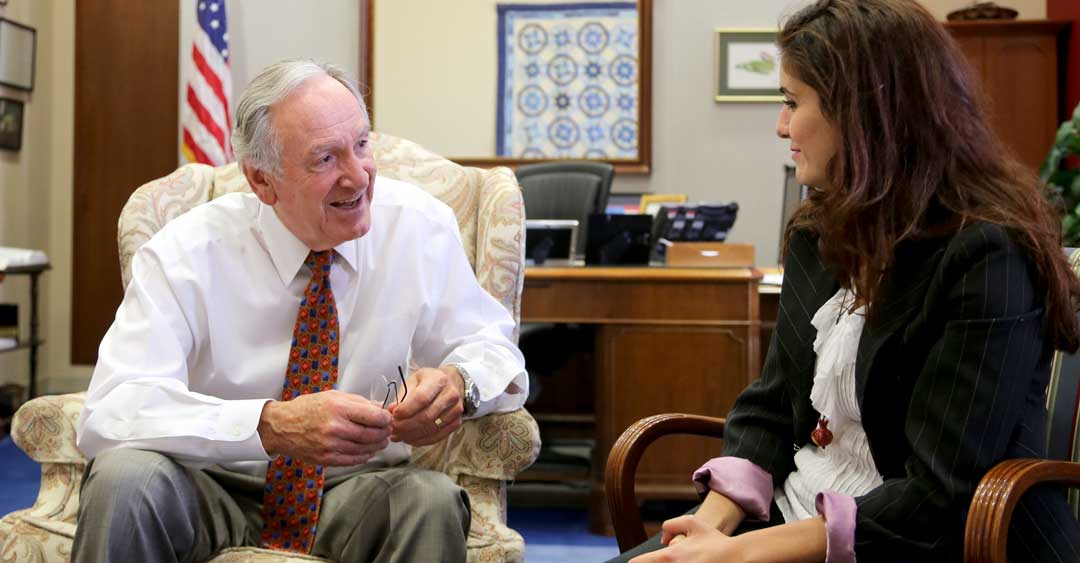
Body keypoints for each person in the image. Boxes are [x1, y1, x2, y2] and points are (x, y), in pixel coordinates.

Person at [611, 1, 1080, 562]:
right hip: (794, 515)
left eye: (792, 102)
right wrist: (710, 524)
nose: (781, 125)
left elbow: (938, 494)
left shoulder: (986, 254)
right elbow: (775, 400)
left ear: (865, 113)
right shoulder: (818, 231)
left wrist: (731, 555)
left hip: (921, 541)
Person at [71, 59, 528, 563]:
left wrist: (459, 383)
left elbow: (495, 349)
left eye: (361, 144)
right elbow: (112, 409)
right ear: (262, 181)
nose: (358, 177)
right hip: (206, 485)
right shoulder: (187, 251)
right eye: (324, 160)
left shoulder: (418, 227)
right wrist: (268, 425)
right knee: (123, 481)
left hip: (355, 491)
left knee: (430, 501)